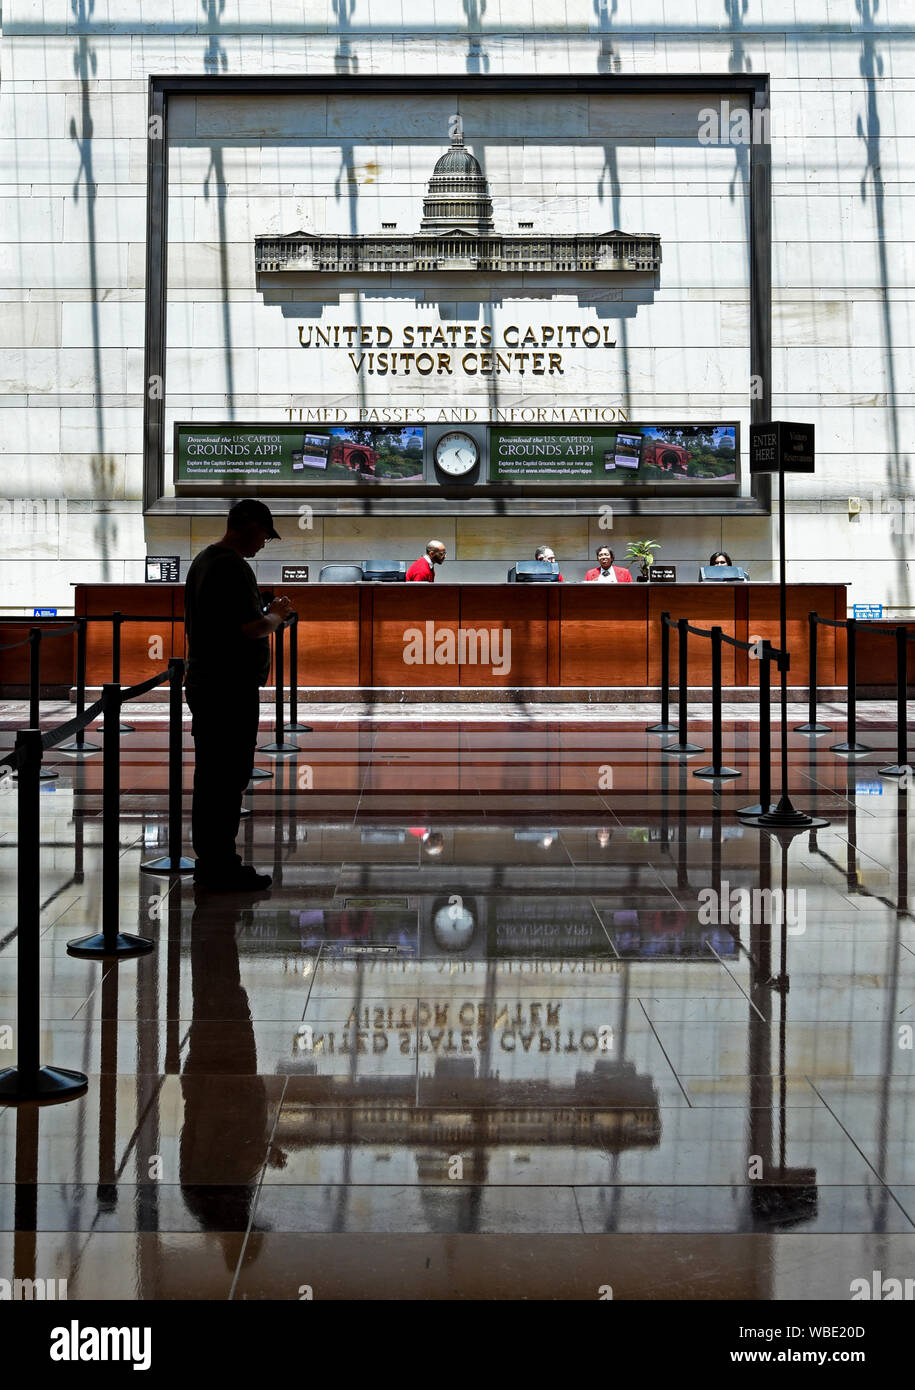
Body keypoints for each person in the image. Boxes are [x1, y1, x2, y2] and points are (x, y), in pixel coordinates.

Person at [184, 497, 291, 892]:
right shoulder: (232, 566)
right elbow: (250, 628)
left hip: (207, 683)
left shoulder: (203, 561)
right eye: (264, 534)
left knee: (211, 776)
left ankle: (211, 860)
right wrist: (277, 615)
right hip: (229, 688)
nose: (264, 542)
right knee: (228, 777)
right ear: (249, 526)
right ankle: (221, 864)